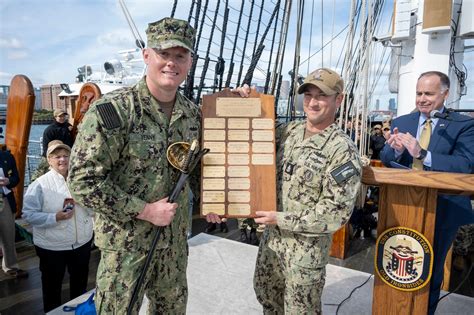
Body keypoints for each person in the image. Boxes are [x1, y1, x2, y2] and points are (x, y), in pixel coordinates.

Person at [68, 17, 200, 314]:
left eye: (180, 55)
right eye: (164, 53)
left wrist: (242, 102)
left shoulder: (193, 115)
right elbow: (82, 181)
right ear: (146, 56)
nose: (171, 63)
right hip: (126, 247)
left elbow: (200, 169)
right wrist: (145, 210)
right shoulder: (114, 111)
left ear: (190, 61)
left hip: (174, 249)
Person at [208, 68, 362, 313]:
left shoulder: (342, 151)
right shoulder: (287, 132)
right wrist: (242, 101)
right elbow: (246, 140)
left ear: (339, 99)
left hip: (304, 256)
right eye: (308, 95)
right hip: (271, 246)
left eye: (321, 95)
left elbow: (334, 215)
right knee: (268, 302)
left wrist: (277, 218)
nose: (312, 102)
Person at [380, 71, 474, 315]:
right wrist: (394, 149)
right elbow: (387, 159)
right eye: (419, 93)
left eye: (428, 93)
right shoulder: (405, 120)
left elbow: (466, 165)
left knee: (428, 270)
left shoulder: (463, 125)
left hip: (443, 208)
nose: (421, 99)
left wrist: (423, 153)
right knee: (393, 263)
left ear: (445, 94)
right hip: (402, 206)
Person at [22, 140, 94, 312]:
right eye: (57, 156)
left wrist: (87, 204)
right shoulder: (39, 184)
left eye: (66, 156)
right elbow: (28, 214)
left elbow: (94, 207)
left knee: (80, 286)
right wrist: (55, 217)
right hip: (52, 247)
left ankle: (79, 311)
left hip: (82, 243)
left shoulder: (82, 179)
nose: (62, 159)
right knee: (52, 288)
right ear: (49, 160)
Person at [0, 144, 28, 279]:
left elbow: (16, 178)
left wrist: (8, 181)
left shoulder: (7, 157)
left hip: (5, 200)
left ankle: (11, 266)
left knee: (8, 235)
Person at [32, 109, 74, 181]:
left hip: (67, 154)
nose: (62, 118)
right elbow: (46, 145)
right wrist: (48, 157)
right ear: (55, 117)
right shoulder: (50, 130)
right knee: (41, 172)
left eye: (63, 116)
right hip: (52, 154)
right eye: (60, 116)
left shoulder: (68, 127)